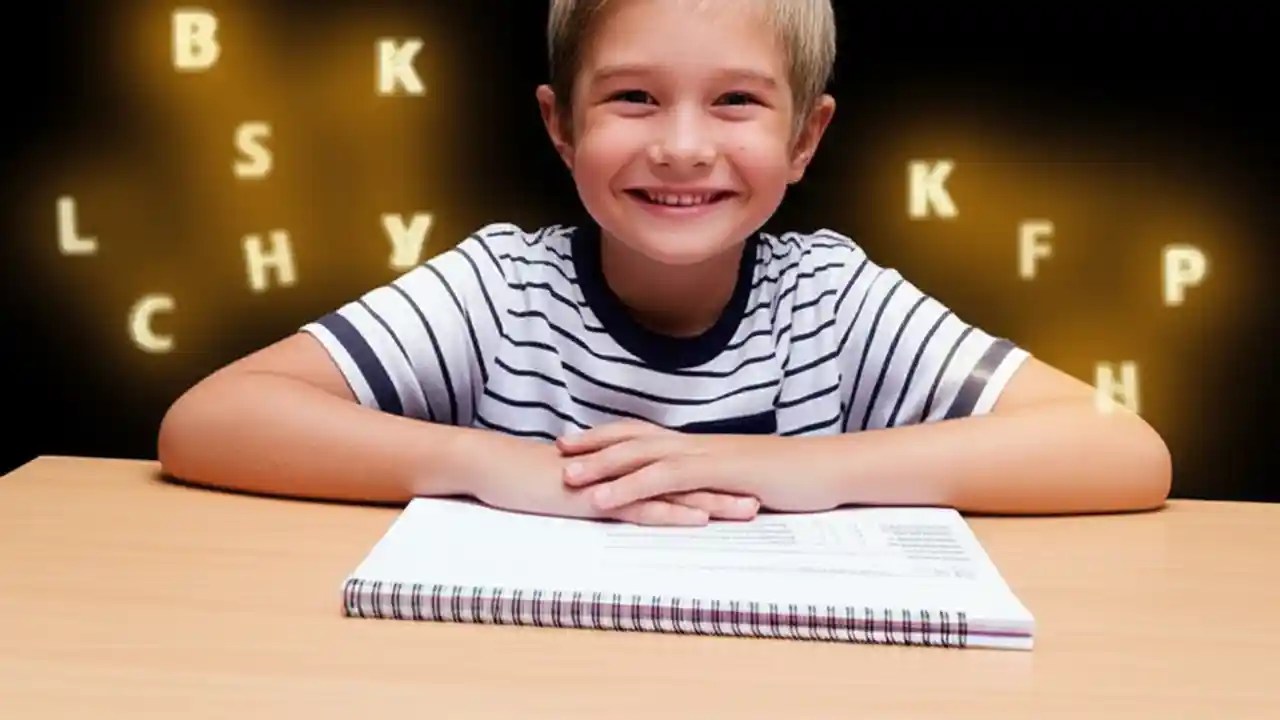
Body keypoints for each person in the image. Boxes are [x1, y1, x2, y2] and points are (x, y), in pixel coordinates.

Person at [156, 0, 1171, 524]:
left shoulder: (829, 301)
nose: (682, 147)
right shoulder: (501, 289)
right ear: (560, 126)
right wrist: (497, 469)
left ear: (805, 139)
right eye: (633, 98)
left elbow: (1121, 450)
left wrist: (796, 470)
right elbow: (210, 420)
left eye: (735, 102)